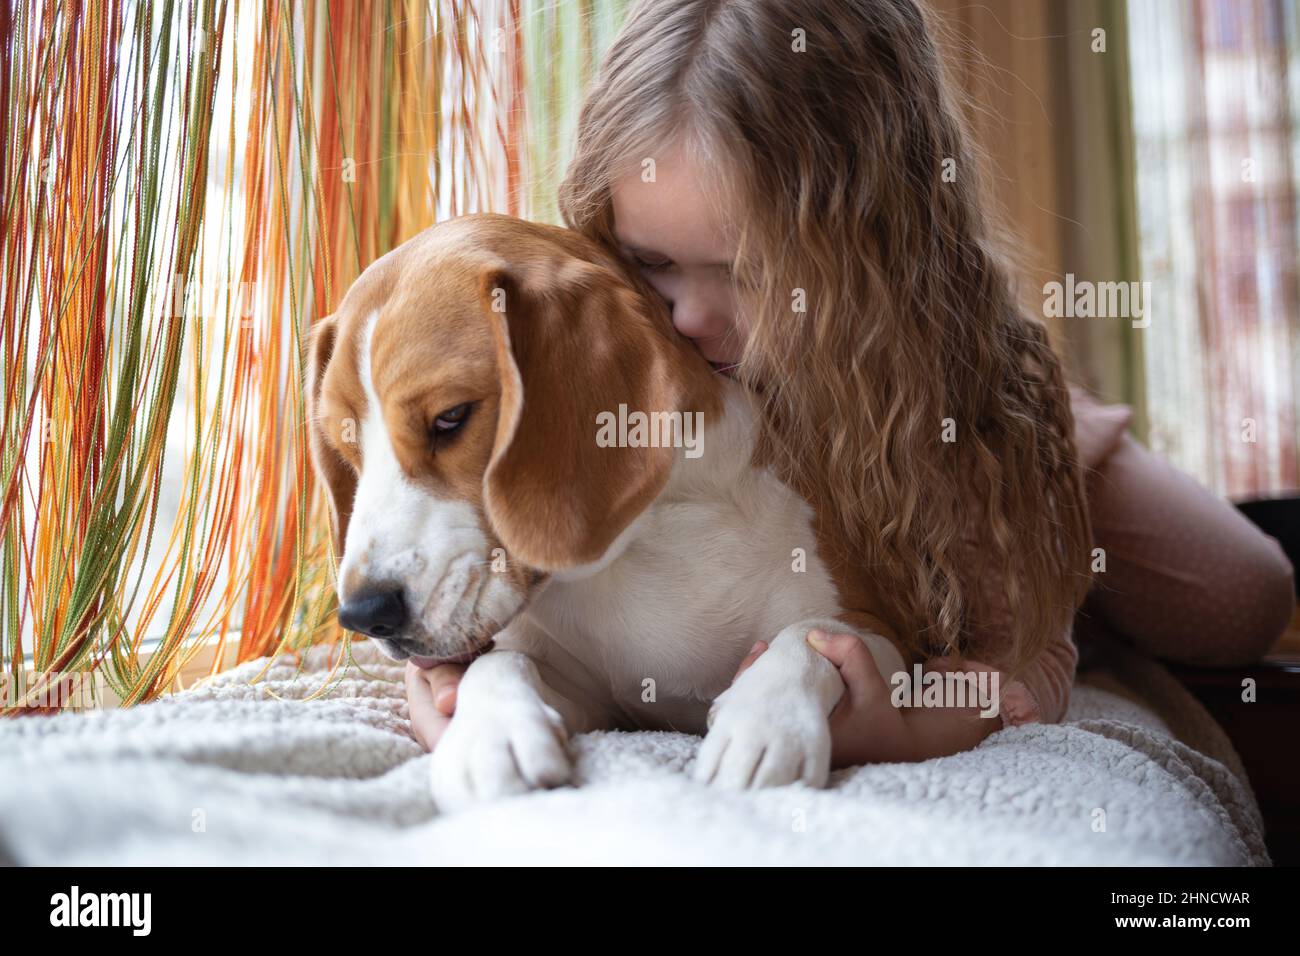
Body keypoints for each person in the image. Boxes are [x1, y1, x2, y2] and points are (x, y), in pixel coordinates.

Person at [404, 0, 1295, 766]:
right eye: (652, 262)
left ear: (869, 248)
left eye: (748, 271)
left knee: (1238, 600)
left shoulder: (951, 410)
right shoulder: (623, 355)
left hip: (990, 432)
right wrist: (454, 667)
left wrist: (908, 729)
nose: (690, 319)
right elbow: (518, 526)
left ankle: (1077, 452)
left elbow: (1022, 660)